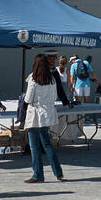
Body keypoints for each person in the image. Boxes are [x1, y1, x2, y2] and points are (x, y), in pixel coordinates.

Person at [22, 53, 65, 183]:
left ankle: (38, 174)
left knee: (34, 146)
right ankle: (58, 172)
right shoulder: (52, 79)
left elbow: (28, 99)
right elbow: (54, 97)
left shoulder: (33, 80)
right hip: (47, 112)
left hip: (35, 114)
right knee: (47, 144)